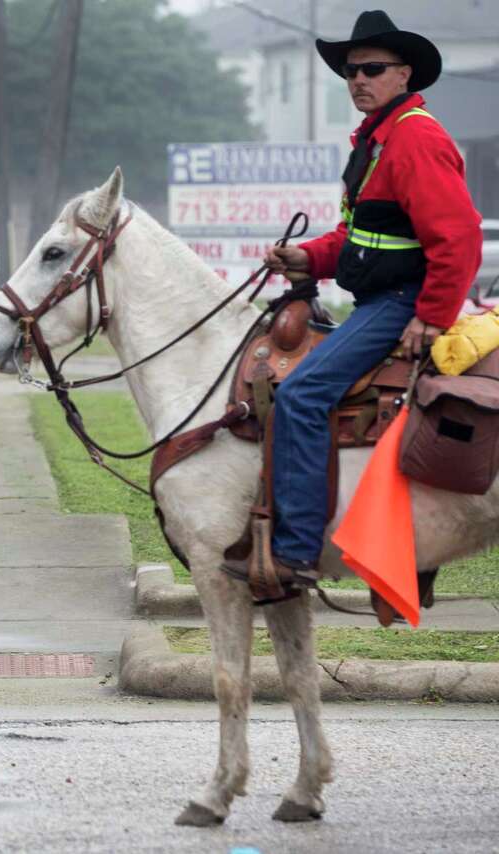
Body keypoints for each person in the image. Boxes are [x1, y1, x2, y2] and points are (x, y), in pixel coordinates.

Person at [247, 10, 482, 585]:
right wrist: (308, 257)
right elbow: (358, 237)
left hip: (401, 302)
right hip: (382, 299)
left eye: (372, 69)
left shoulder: (415, 138)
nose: (358, 79)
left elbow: (459, 237)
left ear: (404, 74)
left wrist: (430, 316)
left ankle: (296, 551)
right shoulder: (376, 142)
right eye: (350, 71)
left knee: (301, 394)